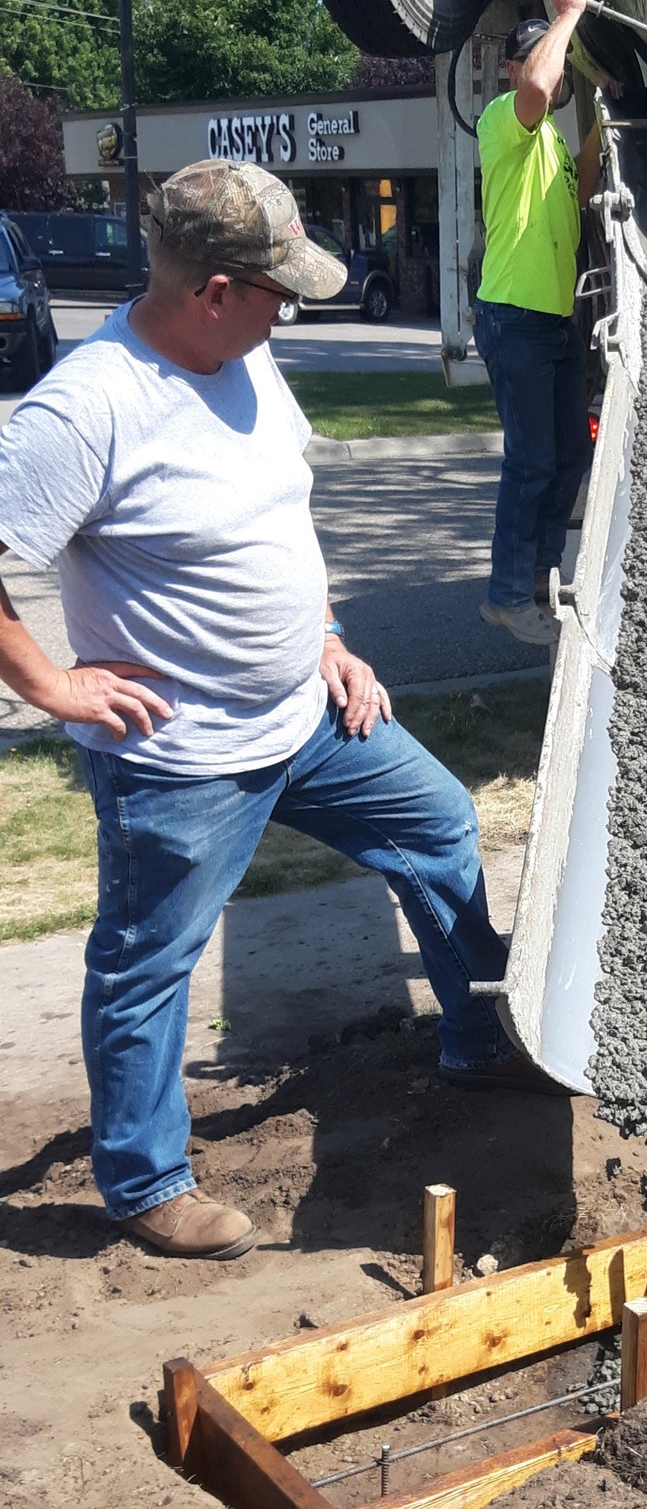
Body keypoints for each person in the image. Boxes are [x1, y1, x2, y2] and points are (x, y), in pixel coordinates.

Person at [0, 159, 560, 1264]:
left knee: (440, 821)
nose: (292, 308)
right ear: (214, 289)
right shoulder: (86, 405)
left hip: (305, 712)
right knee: (149, 959)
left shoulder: (251, 364)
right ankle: (145, 1180)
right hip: (184, 757)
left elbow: (278, 525)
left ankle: (473, 1034)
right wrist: (54, 686)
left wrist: (330, 638)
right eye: (279, 290)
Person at [474, 0, 602, 647]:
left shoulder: (547, 141)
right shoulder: (505, 119)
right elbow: (536, 89)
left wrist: (606, 122)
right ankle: (504, 594)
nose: (546, 70)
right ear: (512, 67)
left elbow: (580, 189)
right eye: (535, 57)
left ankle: (539, 581)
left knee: (569, 458)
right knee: (530, 461)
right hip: (515, 317)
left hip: (552, 321)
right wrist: (569, 16)